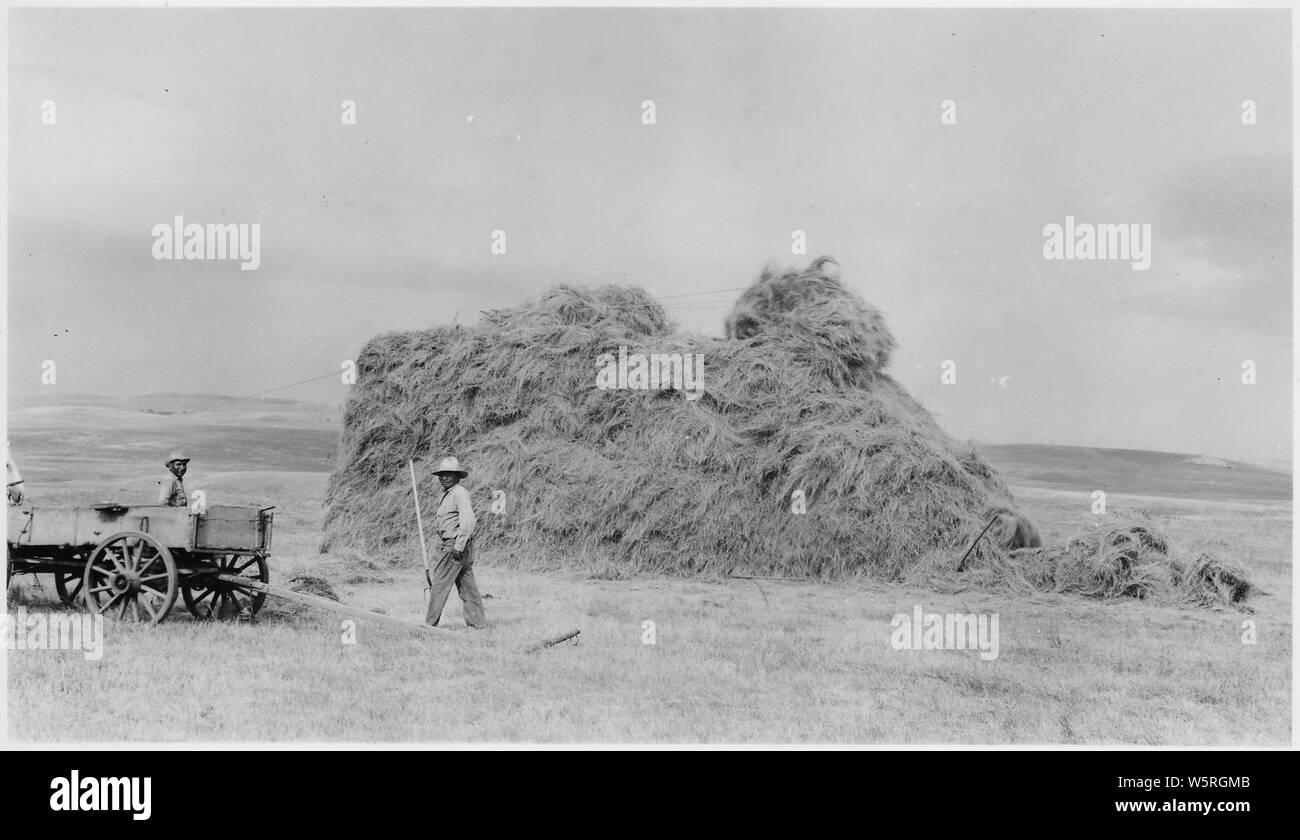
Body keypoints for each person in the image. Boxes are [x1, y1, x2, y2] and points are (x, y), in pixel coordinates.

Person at [423, 456, 486, 628]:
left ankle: (429, 626)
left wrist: (458, 546)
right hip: (460, 545)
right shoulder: (449, 494)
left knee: (439, 586)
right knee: (467, 586)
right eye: (442, 474)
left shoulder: (459, 493)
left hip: (456, 545)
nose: (444, 477)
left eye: (449, 474)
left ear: (457, 476)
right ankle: (478, 624)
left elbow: (468, 522)